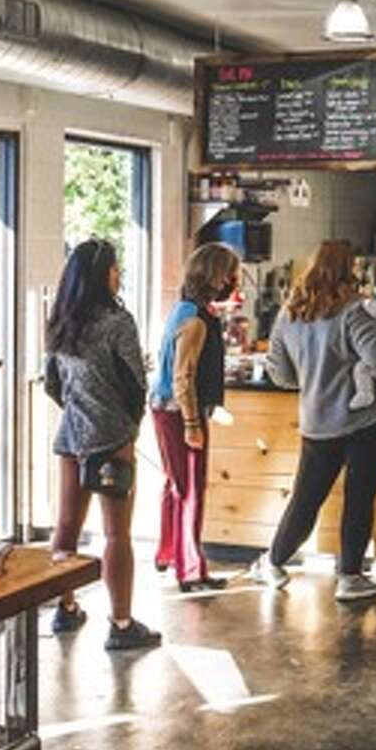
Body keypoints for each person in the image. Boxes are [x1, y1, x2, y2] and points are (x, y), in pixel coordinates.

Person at [250, 240, 376, 603]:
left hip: (318, 422)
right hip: (367, 421)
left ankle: (274, 563)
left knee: (305, 499)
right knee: (359, 499)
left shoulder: (289, 314)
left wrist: (314, 382)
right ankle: (350, 578)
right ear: (349, 270)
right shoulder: (356, 311)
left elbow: (279, 373)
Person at [45, 238, 162, 649]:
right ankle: (122, 624)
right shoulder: (118, 322)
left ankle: (65, 607)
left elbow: (52, 383)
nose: (120, 275)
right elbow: (135, 382)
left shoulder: (61, 319)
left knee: (65, 527)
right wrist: (129, 424)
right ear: (102, 275)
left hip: (70, 436)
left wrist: (76, 407)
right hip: (111, 437)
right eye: (115, 269)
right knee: (116, 535)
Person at [150, 242, 240, 593]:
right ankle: (190, 571)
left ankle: (169, 552)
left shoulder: (185, 309)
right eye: (230, 274)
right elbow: (183, 377)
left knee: (175, 484)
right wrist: (191, 424)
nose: (234, 281)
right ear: (216, 277)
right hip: (180, 411)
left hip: (165, 407)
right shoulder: (195, 321)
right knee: (191, 489)